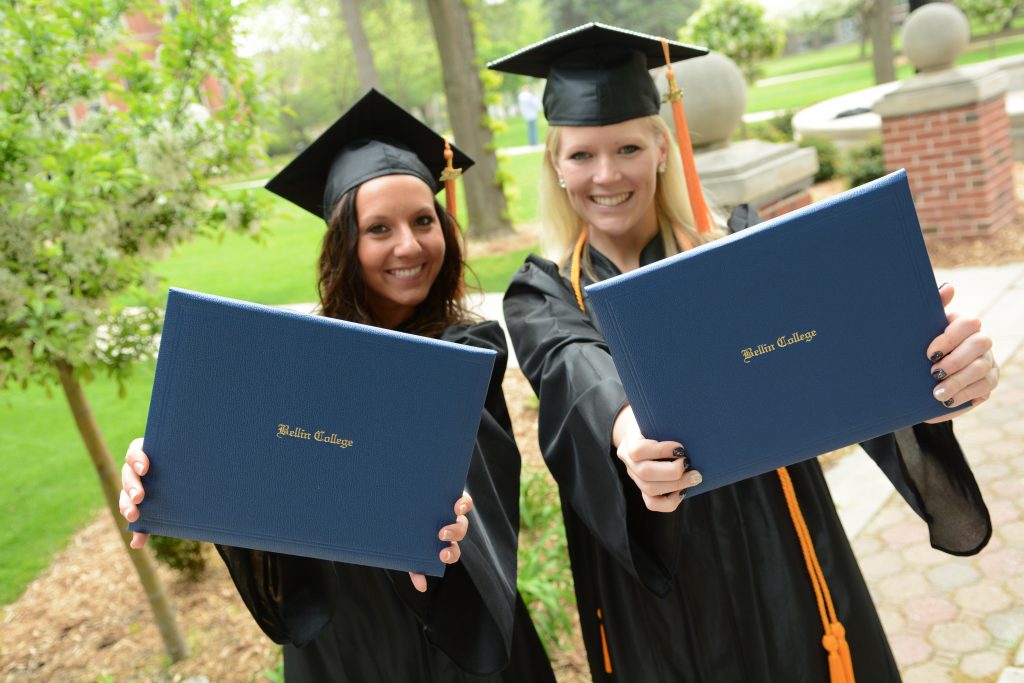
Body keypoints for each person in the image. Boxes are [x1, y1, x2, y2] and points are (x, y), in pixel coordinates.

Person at [491, 24, 999, 682]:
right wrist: (628, 427)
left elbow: (839, 355)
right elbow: (573, 368)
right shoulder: (541, 292)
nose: (606, 173)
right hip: (653, 567)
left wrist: (931, 371)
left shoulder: (735, 245)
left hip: (777, 535)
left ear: (663, 149)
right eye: (582, 155)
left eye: (627, 147)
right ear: (555, 165)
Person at [118, 89, 556, 683]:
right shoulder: (295, 362)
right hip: (344, 639)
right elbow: (252, 467)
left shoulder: (469, 349)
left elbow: (480, 487)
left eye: (424, 220)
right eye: (379, 228)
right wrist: (168, 469)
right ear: (345, 245)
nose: (409, 245)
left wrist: (450, 518)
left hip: (455, 627)